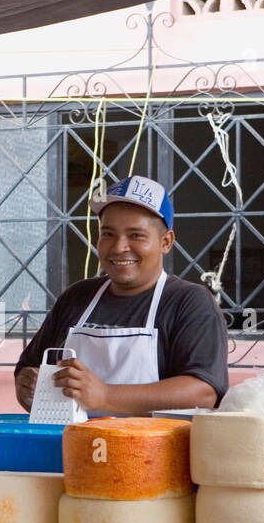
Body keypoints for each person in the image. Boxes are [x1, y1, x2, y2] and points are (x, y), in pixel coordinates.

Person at [15, 175, 228, 415]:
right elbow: (30, 368)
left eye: (136, 235)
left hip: (152, 451)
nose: (118, 247)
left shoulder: (189, 303)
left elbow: (203, 392)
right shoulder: (77, 297)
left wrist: (104, 395)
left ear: (165, 242)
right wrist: (28, 385)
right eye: (108, 234)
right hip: (69, 448)